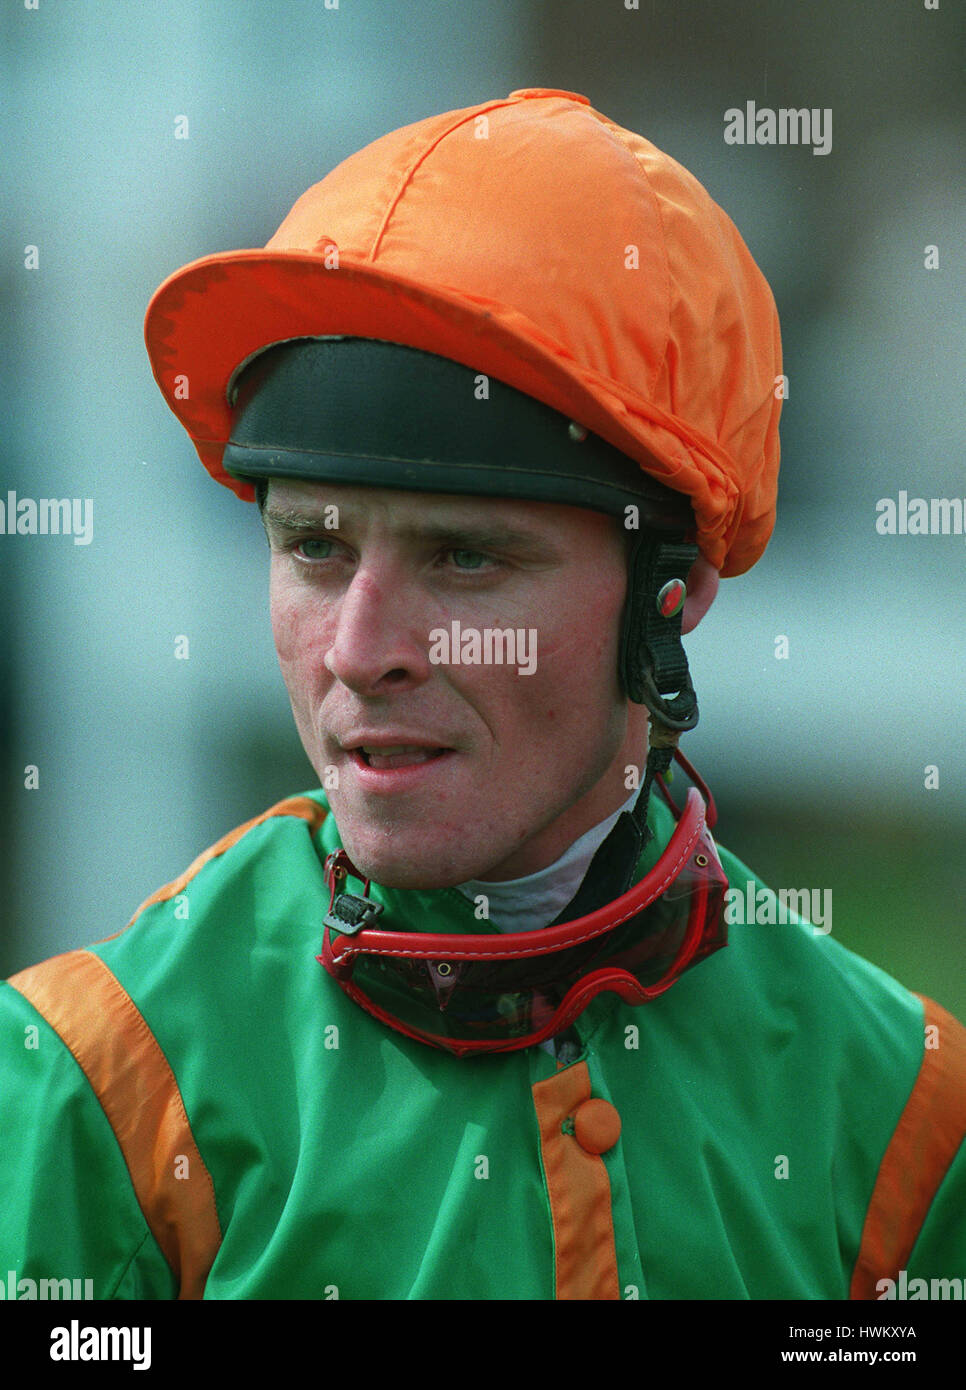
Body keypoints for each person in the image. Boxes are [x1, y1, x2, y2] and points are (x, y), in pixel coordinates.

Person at [2, 89, 964, 1302]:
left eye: (464, 558)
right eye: (314, 547)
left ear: (675, 596)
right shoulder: (93, 1089)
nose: (359, 651)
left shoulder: (908, 1128)